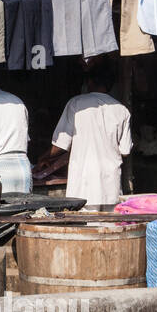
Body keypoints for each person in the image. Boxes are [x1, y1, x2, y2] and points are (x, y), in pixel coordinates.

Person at [34, 61, 132, 209]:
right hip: (110, 186)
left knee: (86, 227)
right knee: (110, 229)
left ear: (89, 81)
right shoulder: (122, 110)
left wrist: (44, 157)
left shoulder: (76, 103)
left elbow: (61, 144)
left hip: (84, 186)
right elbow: (125, 151)